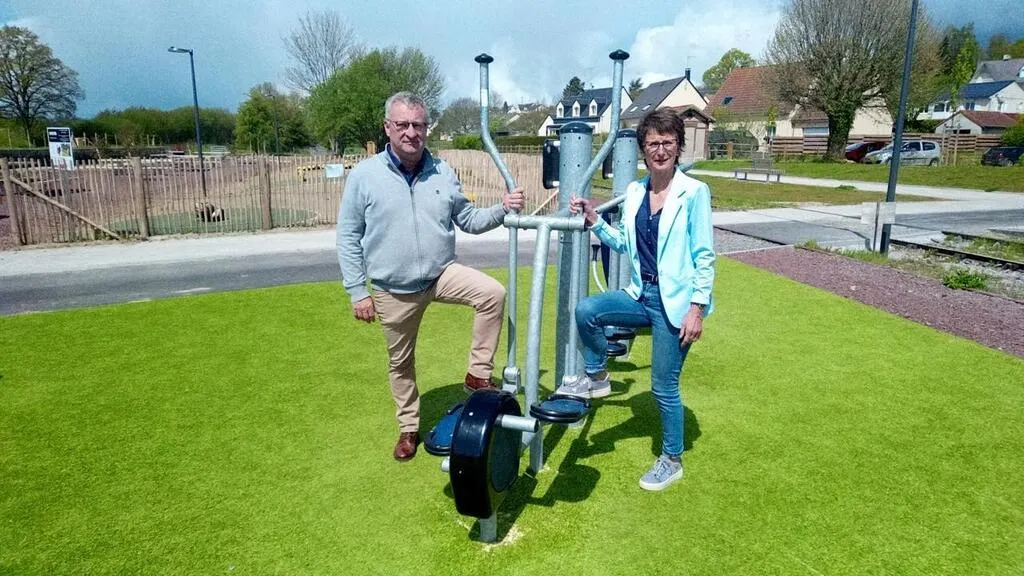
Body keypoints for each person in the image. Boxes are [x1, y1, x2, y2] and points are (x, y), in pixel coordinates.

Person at [336, 92, 525, 462]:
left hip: (441, 273)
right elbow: (348, 236)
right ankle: (408, 428)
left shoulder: (442, 170)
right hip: (393, 289)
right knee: (401, 363)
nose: (411, 132)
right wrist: (358, 291)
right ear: (388, 128)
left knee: (492, 293)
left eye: (418, 125)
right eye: (403, 125)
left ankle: (477, 374)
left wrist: (503, 209)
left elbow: (468, 220)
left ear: (427, 128)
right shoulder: (364, 176)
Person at [557, 108, 716, 491]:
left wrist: (697, 308)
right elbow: (626, 244)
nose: (660, 150)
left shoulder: (693, 192)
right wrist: (596, 221)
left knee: (664, 386)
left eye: (667, 143)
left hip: (674, 303)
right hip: (640, 294)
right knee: (587, 310)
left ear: (678, 147)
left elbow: (704, 255)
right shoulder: (635, 192)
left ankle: (671, 458)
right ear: (643, 150)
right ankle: (597, 375)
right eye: (652, 144)